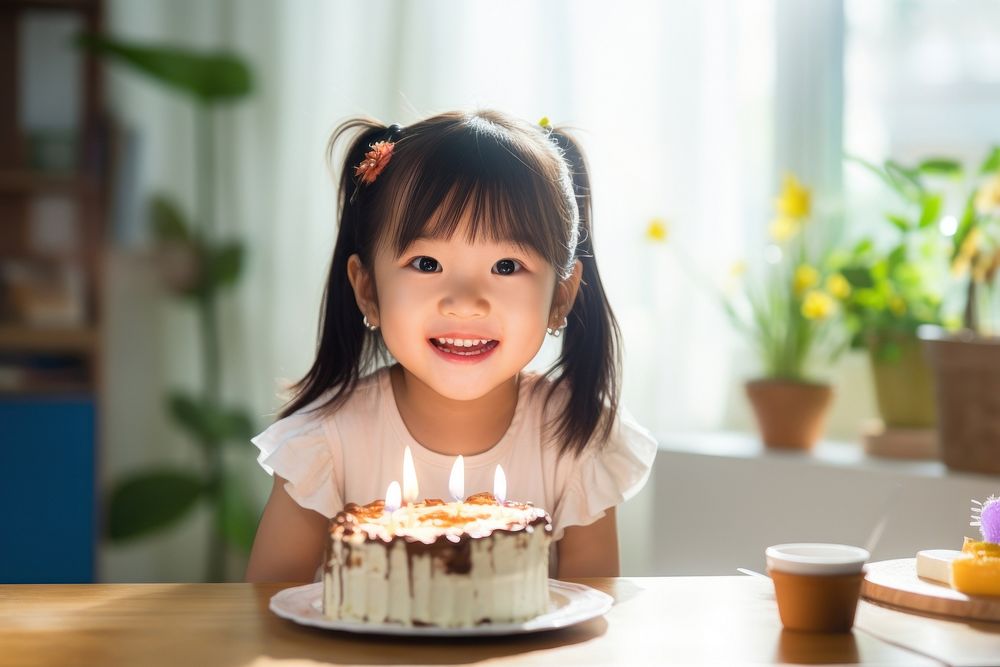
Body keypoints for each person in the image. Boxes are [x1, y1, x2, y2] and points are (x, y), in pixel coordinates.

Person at [245, 110, 656, 583]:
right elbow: (266, 605)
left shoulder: (577, 439)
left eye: (506, 266)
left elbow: (589, 607)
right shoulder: (325, 445)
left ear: (561, 296)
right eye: (427, 263)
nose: (465, 303)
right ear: (368, 289)